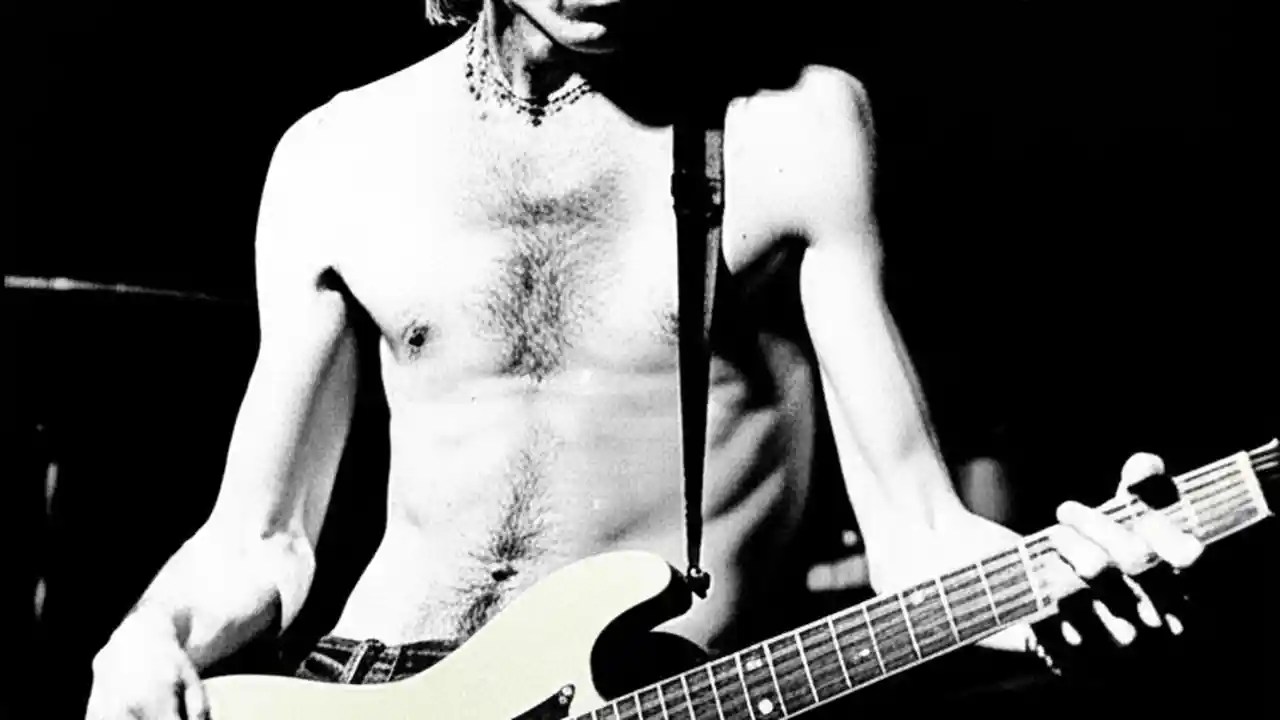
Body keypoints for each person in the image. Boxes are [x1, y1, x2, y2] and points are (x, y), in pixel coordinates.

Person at [85, 1, 1204, 718]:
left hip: (656, 696)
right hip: (363, 683)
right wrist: (148, 640)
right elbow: (263, 540)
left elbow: (913, 525)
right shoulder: (335, 152)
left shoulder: (792, 127)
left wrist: (1046, 582)